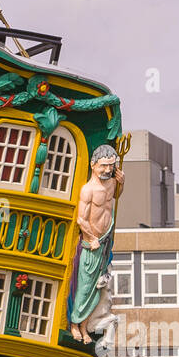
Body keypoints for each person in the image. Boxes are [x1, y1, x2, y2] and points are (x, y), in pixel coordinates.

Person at [68, 143, 124, 343]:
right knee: (84, 287)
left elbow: (115, 199)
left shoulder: (110, 184)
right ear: (93, 165)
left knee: (97, 288)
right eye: (104, 166)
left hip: (105, 241)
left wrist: (122, 183)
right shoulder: (88, 190)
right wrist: (91, 238)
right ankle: (74, 324)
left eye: (111, 165)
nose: (108, 170)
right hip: (92, 244)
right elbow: (81, 219)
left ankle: (84, 328)